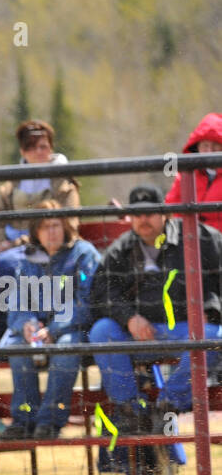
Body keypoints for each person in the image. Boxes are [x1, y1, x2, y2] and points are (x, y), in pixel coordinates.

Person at [87, 185, 222, 434]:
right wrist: (128, 318)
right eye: (137, 214)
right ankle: (131, 412)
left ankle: (166, 407)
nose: (143, 219)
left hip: (185, 330)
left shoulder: (200, 239)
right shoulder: (121, 249)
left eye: (150, 213)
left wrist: (209, 309)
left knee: (214, 336)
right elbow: (102, 292)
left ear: (165, 214)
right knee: (101, 331)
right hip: (138, 334)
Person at [0, 201, 101, 440]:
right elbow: (17, 301)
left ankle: (49, 424)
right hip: (37, 333)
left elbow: (88, 301)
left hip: (76, 330)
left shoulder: (83, 254)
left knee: (65, 346)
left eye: (56, 225)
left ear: (65, 226)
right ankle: (24, 421)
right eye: (45, 227)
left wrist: (54, 329)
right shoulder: (27, 259)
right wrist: (27, 324)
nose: (51, 231)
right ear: (36, 231)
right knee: (16, 347)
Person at [0, 120, 81, 256]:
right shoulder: (10, 186)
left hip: (52, 248)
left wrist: (24, 243)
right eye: (31, 147)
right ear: (22, 151)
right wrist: (0, 242)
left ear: (51, 148)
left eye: (43, 146)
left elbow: (69, 224)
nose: (38, 152)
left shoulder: (64, 184)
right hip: (9, 250)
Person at [165, 113, 222, 232]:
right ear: (197, 148)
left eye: (216, 146)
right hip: (189, 240)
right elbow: (172, 208)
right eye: (205, 145)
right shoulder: (186, 175)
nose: (209, 151)